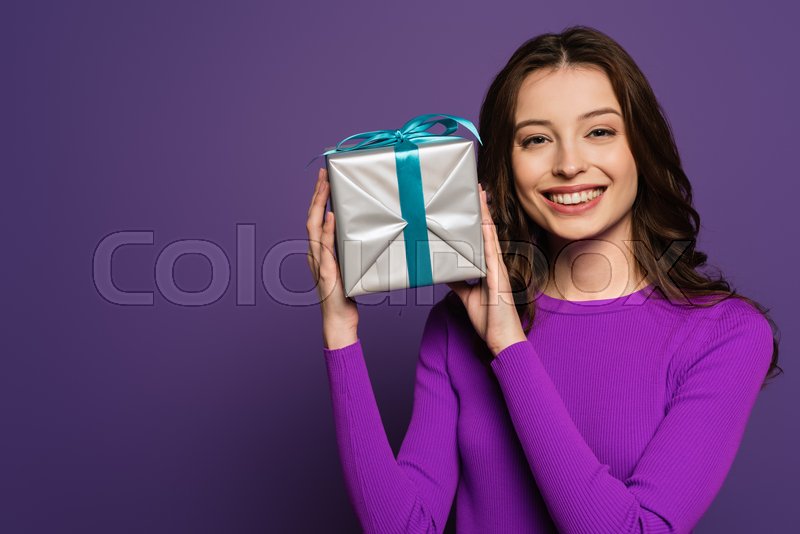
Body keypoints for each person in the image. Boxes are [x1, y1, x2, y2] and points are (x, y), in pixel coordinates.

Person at [305, 25, 783, 534]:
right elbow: (402, 528)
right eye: (536, 139)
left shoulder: (724, 334)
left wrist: (508, 344)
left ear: (640, 147)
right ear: (506, 166)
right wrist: (340, 331)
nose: (569, 165)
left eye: (600, 131)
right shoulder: (455, 327)